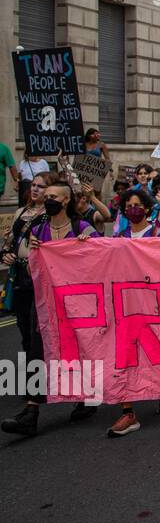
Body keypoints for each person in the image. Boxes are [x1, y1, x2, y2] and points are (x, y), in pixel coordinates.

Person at [1, 178, 98, 437]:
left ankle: (87, 396)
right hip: (44, 300)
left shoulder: (83, 227)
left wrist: (87, 245)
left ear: (66, 200)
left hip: (77, 301)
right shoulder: (39, 228)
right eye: (47, 196)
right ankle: (31, 413)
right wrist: (30, 251)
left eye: (53, 196)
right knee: (37, 348)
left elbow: (101, 260)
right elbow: (27, 262)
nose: (48, 200)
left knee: (79, 347)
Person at [105, 188, 160, 436]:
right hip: (126, 304)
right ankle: (128, 411)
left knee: (156, 350)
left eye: (136, 205)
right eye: (127, 206)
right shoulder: (118, 238)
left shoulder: (159, 234)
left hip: (154, 303)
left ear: (146, 208)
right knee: (124, 352)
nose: (131, 209)